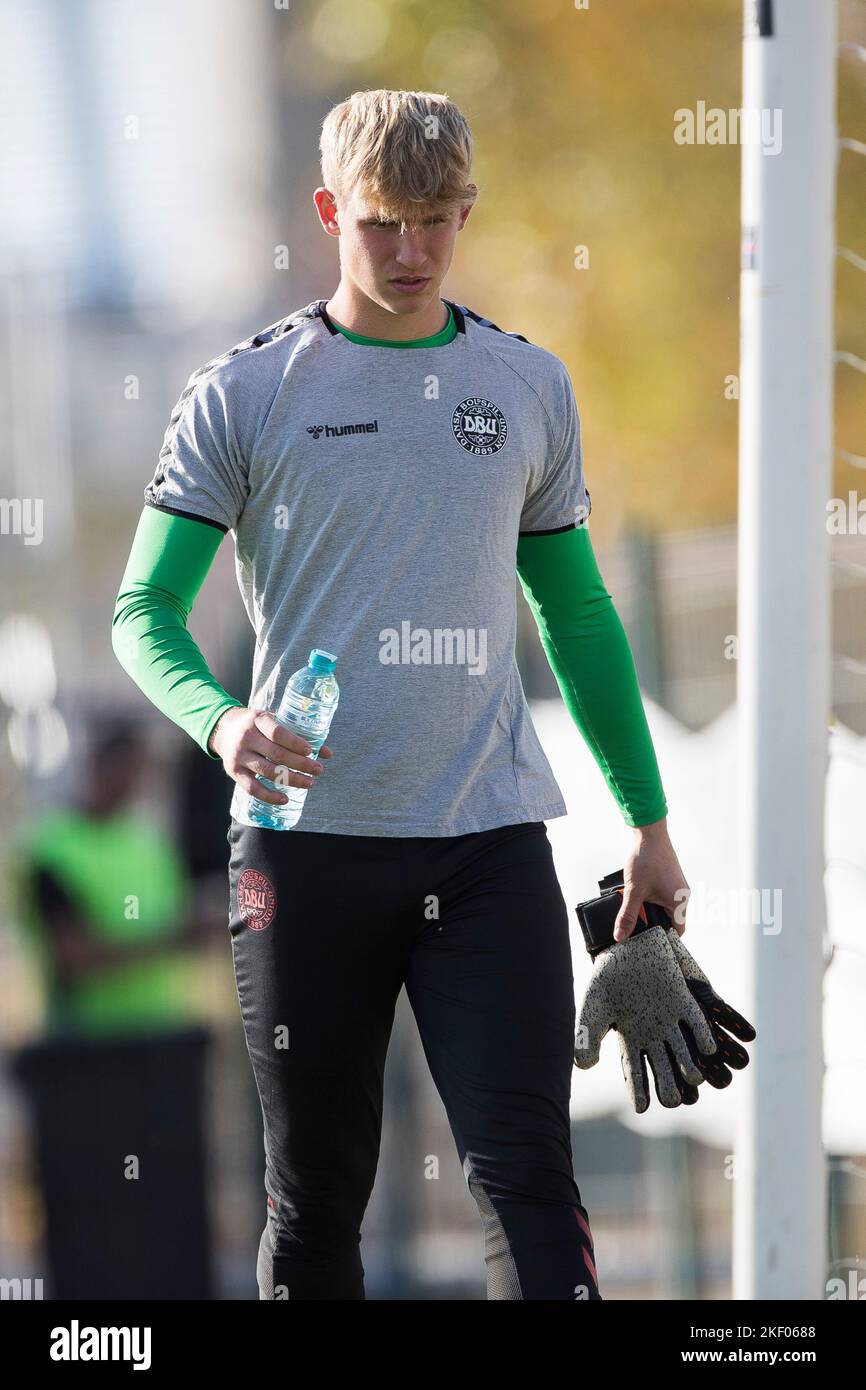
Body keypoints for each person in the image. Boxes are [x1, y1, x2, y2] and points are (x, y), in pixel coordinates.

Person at [111, 88, 690, 1301]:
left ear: (466, 212)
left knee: (527, 1175)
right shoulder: (245, 392)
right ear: (330, 212)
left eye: (438, 220)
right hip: (304, 854)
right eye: (383, 224)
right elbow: (142, 613)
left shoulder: (526, 385)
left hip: (484, 846)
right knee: (315, 1201)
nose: (413, 251)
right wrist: (221, 720)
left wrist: (645, 822)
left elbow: (574, 613)